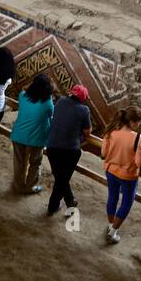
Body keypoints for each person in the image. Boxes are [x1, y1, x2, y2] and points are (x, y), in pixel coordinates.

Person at [100, 106, 141, 244]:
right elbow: (139, 162)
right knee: (127, 201)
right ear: (132, 122)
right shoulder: (138, 138)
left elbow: (103, 154)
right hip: (128, 175)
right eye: (139, 122)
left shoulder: (111, 132)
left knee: (112, 196)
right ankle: (113, 232)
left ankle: (110, 225)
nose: (140, 124)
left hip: (111, 171)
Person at [45, 84, 92, 216]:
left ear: (71, 93)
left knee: (61, 179)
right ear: (83, 98)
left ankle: (61, 203)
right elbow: (88, 132)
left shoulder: (60, 101)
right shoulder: (84, 110)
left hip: (52, 147)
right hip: (70, 151)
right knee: (62, 180)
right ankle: (62, 203)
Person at [8, 73, 55, 194]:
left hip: (18, 135)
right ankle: (30, 186)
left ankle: (18, 185)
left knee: (19, 162)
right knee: (35, 163)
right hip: (36, 139)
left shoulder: (22, 96)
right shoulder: (48, 103)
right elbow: (50, 116)